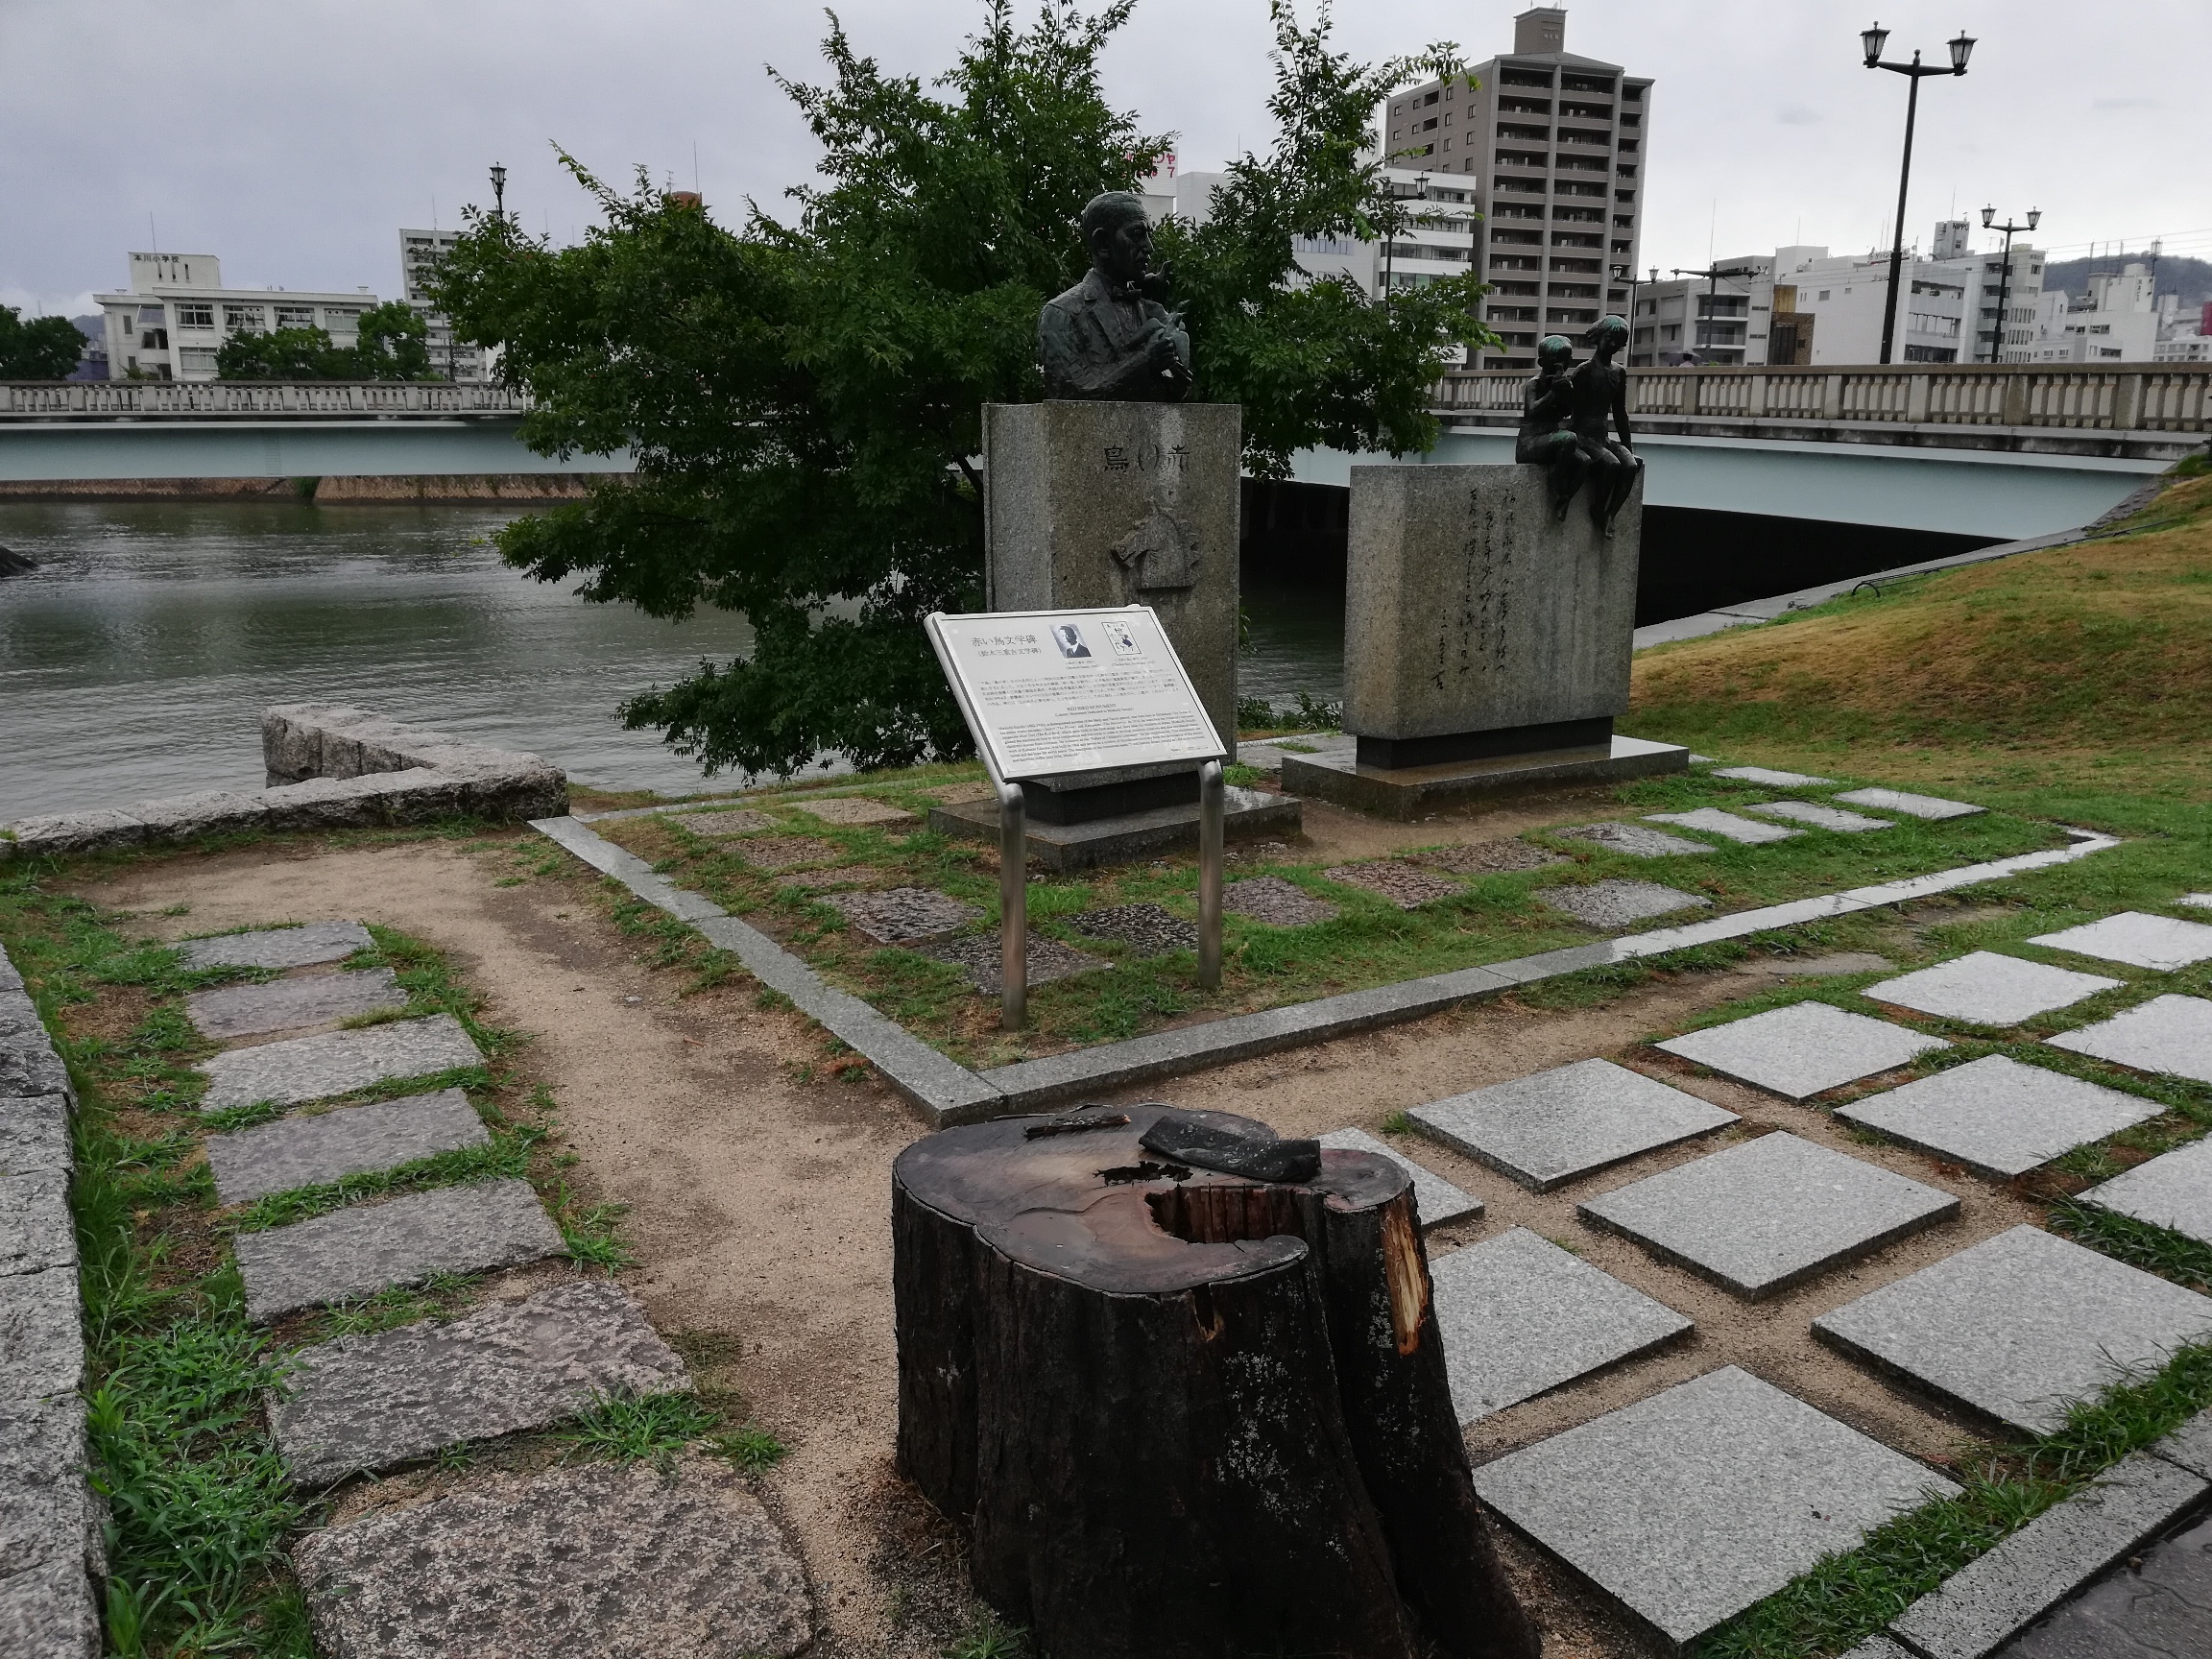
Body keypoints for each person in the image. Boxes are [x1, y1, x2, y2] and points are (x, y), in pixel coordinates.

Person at [1037, 192, 1192, 401]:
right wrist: (1146, 361)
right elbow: (1070, 394)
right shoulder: (1061, 314)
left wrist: (1173, 367)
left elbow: (1176, 389)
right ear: (1103, 243)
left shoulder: (1153, 312)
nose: (1149, 247)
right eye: (1137, 234)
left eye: (1148, 235)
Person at [1569, 315, 1645, 536]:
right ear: (1599, 337)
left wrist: (1628, 446)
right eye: (1609, 338)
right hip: (1583, 433)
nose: (1612, 345)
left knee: (1630, 465)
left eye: (1617, 341)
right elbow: (1571, 407)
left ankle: (1611, 514)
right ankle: (1598, 509)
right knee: (1611, 465)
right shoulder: (1584, 370)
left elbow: (1620, 413)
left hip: (1602, 435)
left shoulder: (1619, 372)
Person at [1515, 335, 1586, 520]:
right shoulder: (1535, 384)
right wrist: (1553, 392)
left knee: (1584, 461)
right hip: (1530, 441)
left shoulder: (1564, 384)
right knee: (1569, 438)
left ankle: (1565, 498)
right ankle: (1555, 482)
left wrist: (1567, 393)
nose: (1560, 367)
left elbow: (1567, 413)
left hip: (1551, 437)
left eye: (1565, 362)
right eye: (1555, 363)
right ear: (1542, 362)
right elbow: (1533, 410)